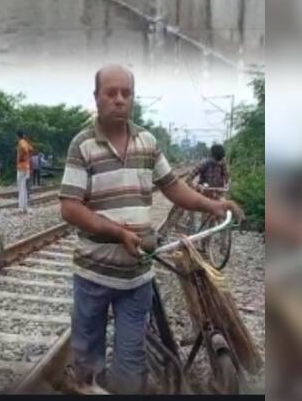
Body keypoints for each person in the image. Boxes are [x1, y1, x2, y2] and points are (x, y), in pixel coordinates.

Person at [59, 64, 246, 394]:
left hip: (137, 278)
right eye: (111, 93)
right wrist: (118, 233)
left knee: (131, 367)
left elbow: (173, 187)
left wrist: (213, 205)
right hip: (92, 277)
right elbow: (71, 207)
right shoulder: (82, 145)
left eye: (126, 93)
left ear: (132, 99)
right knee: (87, 369)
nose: (119, 100)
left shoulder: (147, 141)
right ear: (96, 98)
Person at [16, 130, 33, 211]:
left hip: (21, 167)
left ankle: (21, 206)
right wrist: (27, 158)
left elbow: (24, 149)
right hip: (27, 166)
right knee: (25, 187)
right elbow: (31, 149)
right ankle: (25, 206)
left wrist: (20, 158)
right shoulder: (26, 142)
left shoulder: (21, 142)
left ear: (17, 136)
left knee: (21, 187)